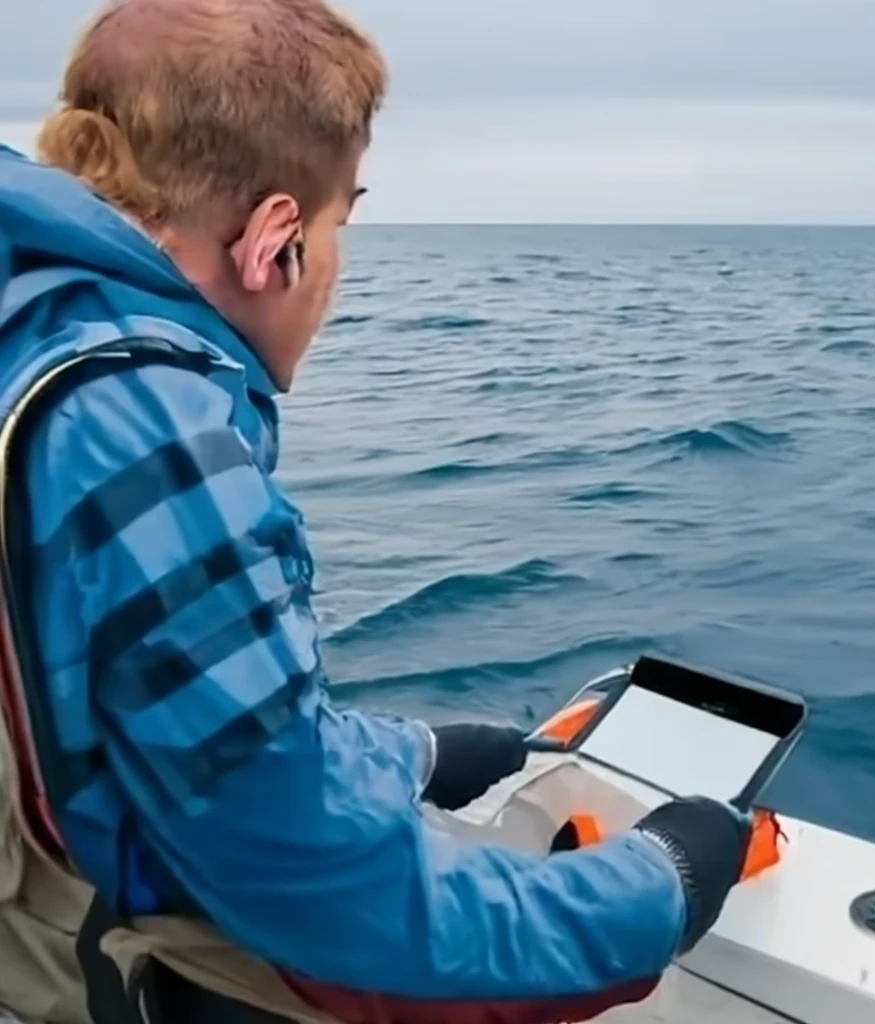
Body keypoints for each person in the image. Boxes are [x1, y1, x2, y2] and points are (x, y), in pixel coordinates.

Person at [0, 1, 753, 1022]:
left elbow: (142, 723)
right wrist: (661, 883)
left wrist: (416, 755)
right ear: (276, 241)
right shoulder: (153, 437)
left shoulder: (38, 348)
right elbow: (338, 900)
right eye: (339, 222)